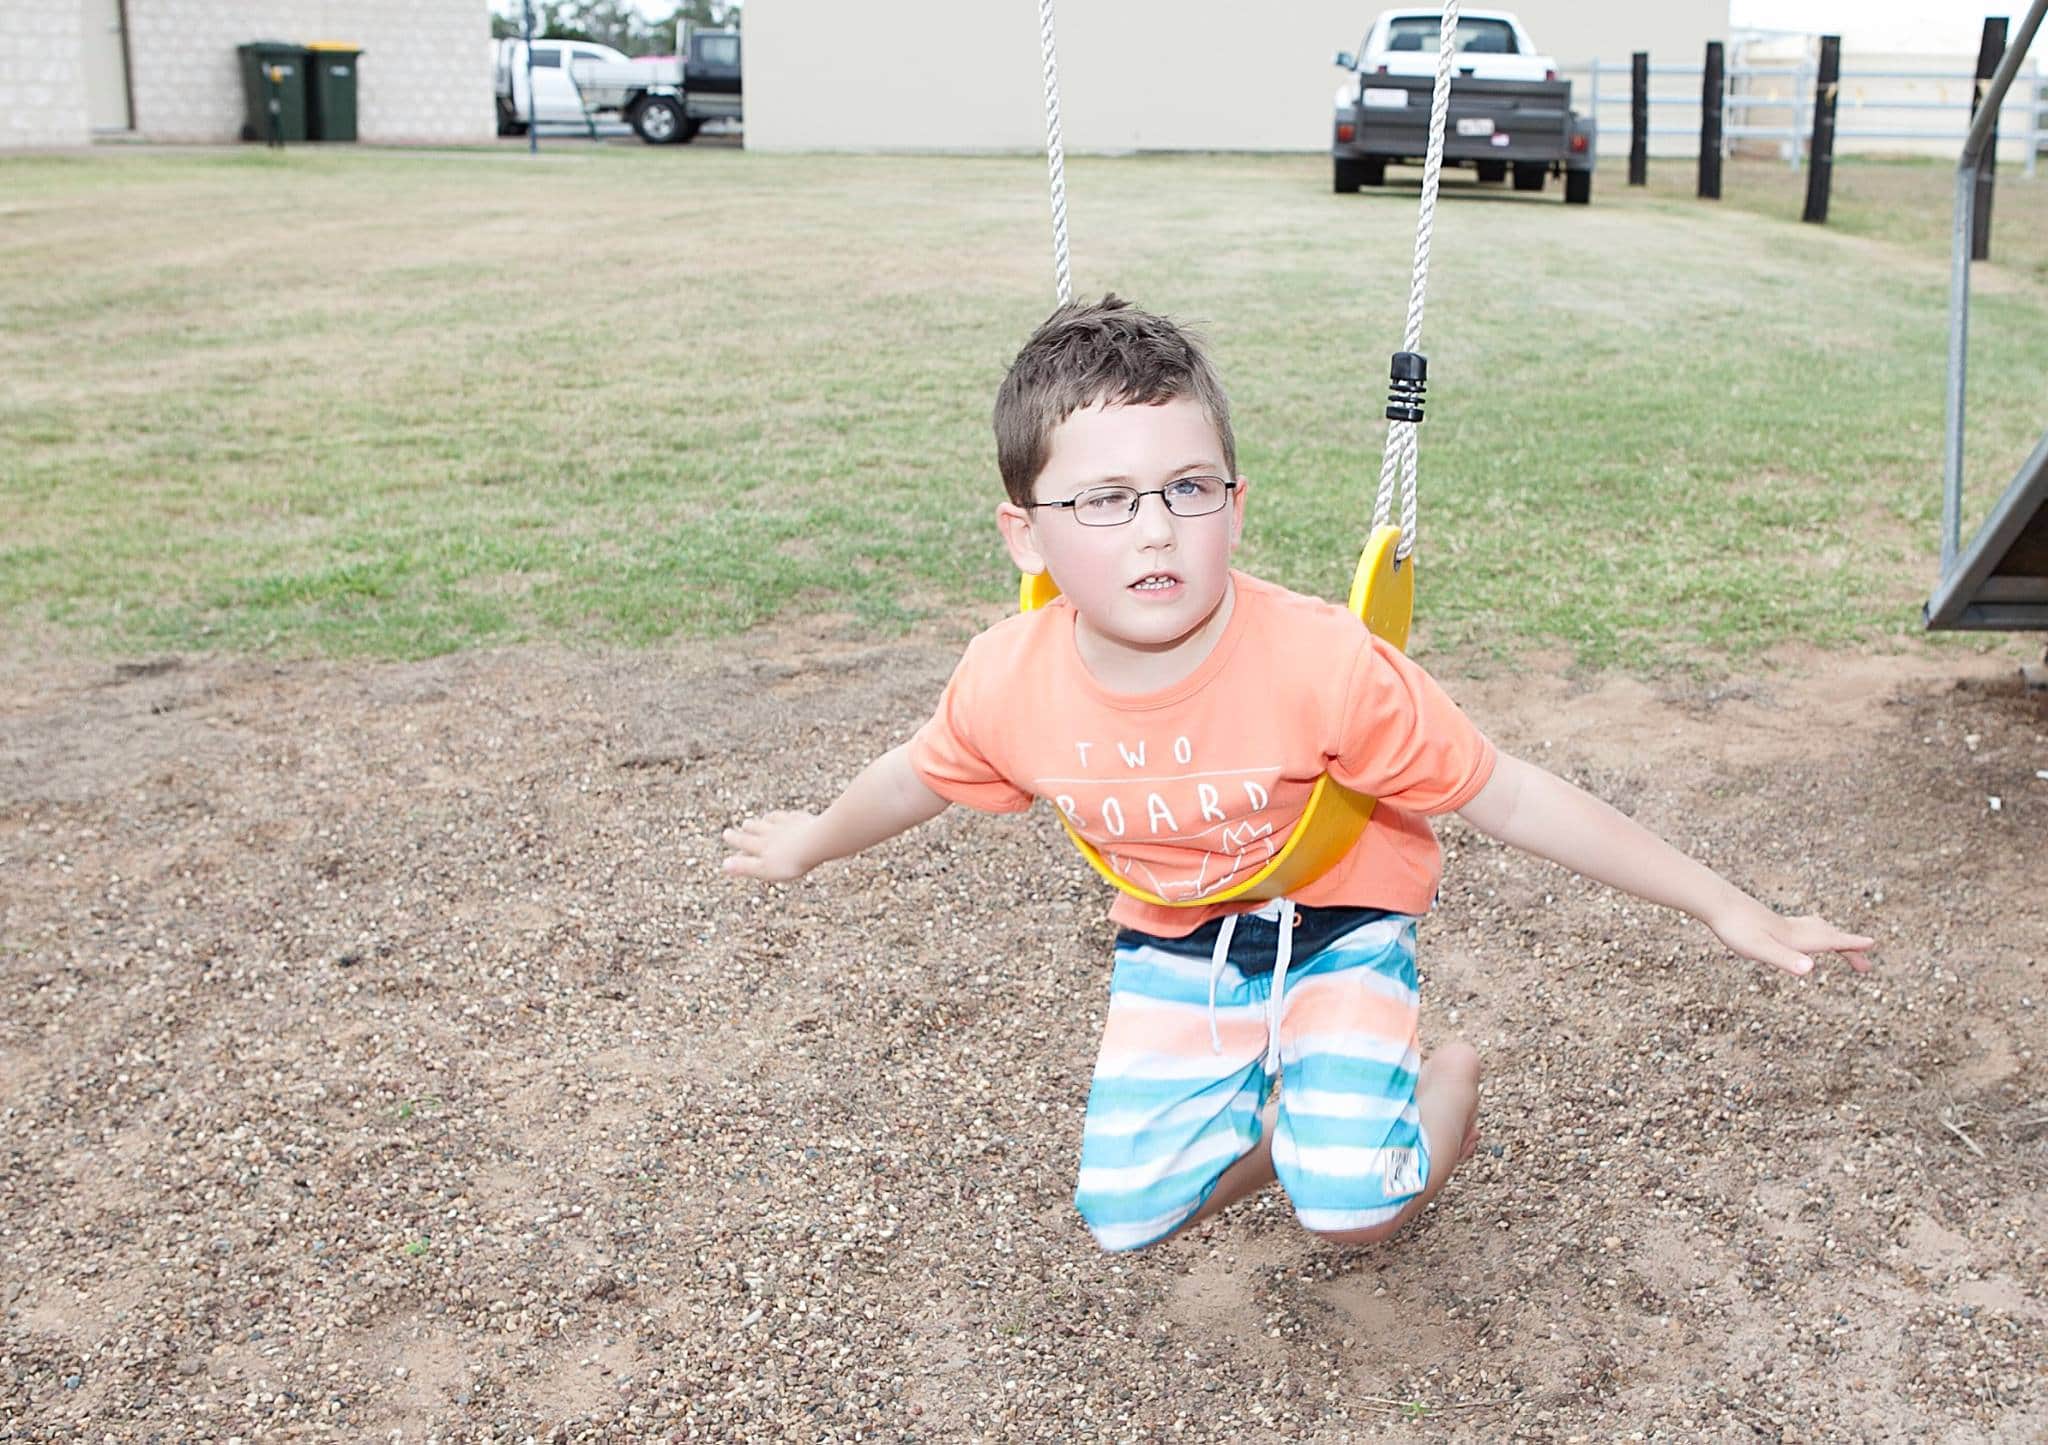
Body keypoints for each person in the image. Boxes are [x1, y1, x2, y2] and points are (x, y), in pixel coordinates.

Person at [721, 295, 1873, 1254]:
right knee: (1126, 1218)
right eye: (1103, 502)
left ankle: (1439, 1089)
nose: (1155, 532)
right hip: (1179, 928)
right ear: (1025, 536)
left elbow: (1509, 794)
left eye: (1187, 488)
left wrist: (1724, 900)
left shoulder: (1325, 664)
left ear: (1233, 503)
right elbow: (918, 775)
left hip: (1341, 912)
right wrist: (811, 838)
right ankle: (1295, 1112)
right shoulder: (1006, 679)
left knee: (1351, 1212)